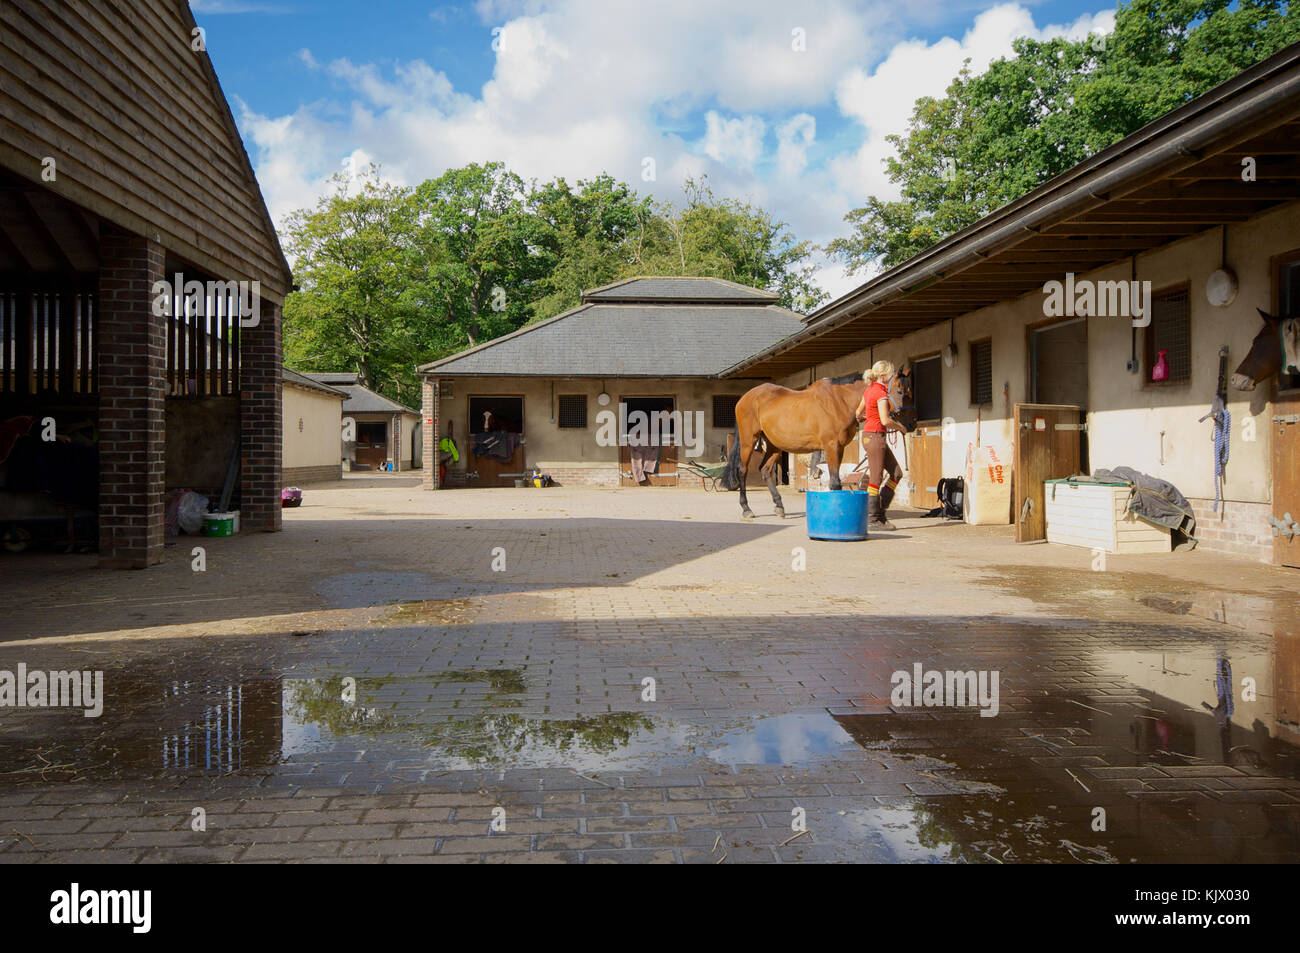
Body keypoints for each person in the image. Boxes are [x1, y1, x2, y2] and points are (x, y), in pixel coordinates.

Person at [854, 360, 906, 530]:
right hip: (876, 437)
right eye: (890, 375)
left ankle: (880, 511)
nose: (891, 378)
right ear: (883, 376)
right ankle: (873, 519)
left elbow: (857, 413)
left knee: (896, 473)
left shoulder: (869, 391)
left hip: (870, 436)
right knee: (876, 478)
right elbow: (885, 420)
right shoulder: (880, 394)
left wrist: (867, 418)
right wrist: (900, 427)